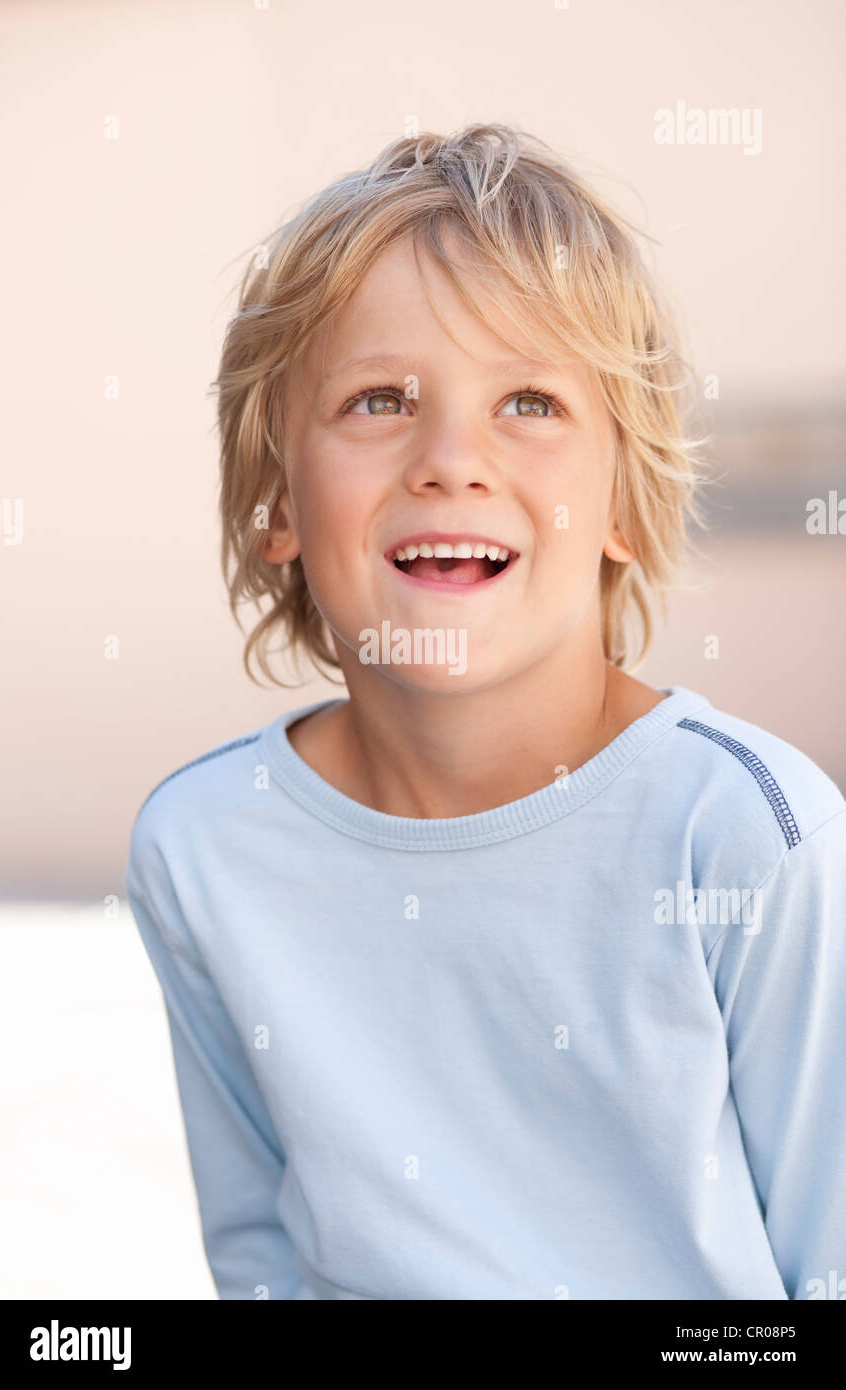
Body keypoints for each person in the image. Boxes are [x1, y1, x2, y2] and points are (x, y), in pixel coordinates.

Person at [126, 123, 846, 1300]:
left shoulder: (748, 837)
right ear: (277, 506)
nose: (450, 458)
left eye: (527, 400)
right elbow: (263, 1263)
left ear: (622, 500)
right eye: (375, 400)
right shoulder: (204, 845)